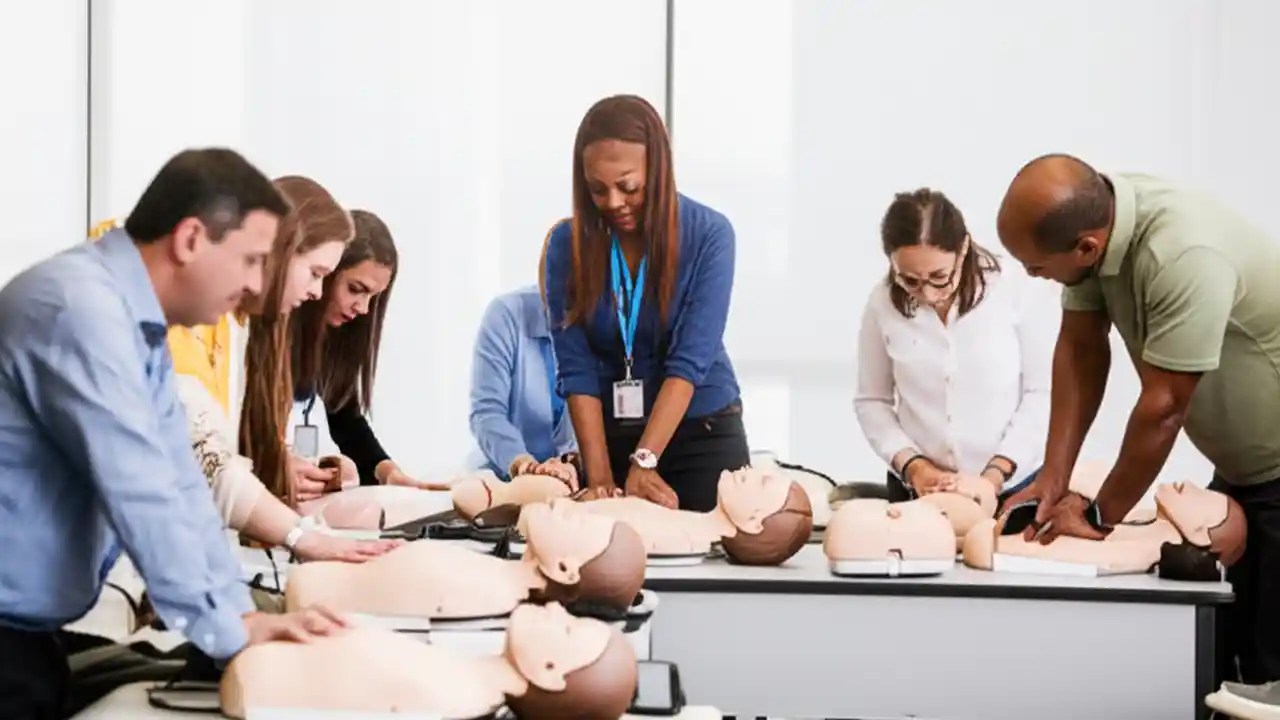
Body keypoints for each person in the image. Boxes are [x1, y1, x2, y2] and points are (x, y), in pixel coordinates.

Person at [0, 149, 345, 718]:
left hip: (31, 636)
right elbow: (141, 488)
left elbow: (181, 483)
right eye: (252, 260)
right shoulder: (79, 309)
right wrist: (231, 629)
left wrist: (242, 615)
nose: (258, 283)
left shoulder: (137, 325)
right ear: (190, 239)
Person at [995, 153, 1280, 685]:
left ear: (1085, 248)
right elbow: (1081, 351)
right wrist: (1051, 483)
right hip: (1244, 470)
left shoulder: (1182, 256)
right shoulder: (1099, 226)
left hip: (1275, 469)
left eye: (1035, 266)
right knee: (1225, 665)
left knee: (1268, 678)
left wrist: (1101, 514)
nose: (1032, 276)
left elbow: (1164, 408)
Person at [173, 181, 399, 563]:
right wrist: (303, 536)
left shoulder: (246, 331)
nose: (315, 291)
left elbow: (225, 451)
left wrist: (293, 465)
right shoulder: (196, 323)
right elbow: (212, 460)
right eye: (315, 273)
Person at [542, 94, 748, 513]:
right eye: (597, 189)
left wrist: (646, 459)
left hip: (701, 433)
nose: (614, 202)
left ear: (659, 169)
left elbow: (690, 361)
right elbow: (575, 368)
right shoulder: (567, 245)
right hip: (610, 441)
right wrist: (599, 479)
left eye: (628, 187)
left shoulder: (710, 235)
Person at [854, 188, 1052, 509]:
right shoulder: (881, 303)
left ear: (963, 250)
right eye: (910, 280)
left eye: (939, 277)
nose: (928, 294)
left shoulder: (1014, 288)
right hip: (918, 489)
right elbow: (871, 401)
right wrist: (915, 467)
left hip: (1012, 487)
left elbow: (1042, 393)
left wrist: (991, 478)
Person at [291, 209, 427, 488]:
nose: (363, 309)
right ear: (327, 272)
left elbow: (343, 415)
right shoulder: (271, 336)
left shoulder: (336, 335)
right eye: (355, 289)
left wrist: (385, 469)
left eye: (372, 298)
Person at [469, 283, 578, 480]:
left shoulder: (616, 323)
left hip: (578, 479)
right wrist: (523, 465)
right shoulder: (506, 314)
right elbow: (487, 413)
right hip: (506, 477)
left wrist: (573, 464)